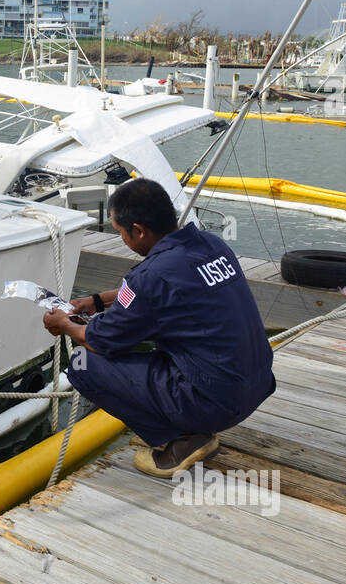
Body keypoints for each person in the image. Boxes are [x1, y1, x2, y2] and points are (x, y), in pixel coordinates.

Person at [41, 178, 275, 478]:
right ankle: (186, 423)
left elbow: (99, 341)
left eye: (120, 232)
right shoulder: (211, 245)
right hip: (254, 385)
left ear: (138, 230)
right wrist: (98, 301)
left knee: (82, 363)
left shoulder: (152, 275)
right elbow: (159, 292)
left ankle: (181, 440)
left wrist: (63, 324)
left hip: (216, 403)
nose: (123, 239)